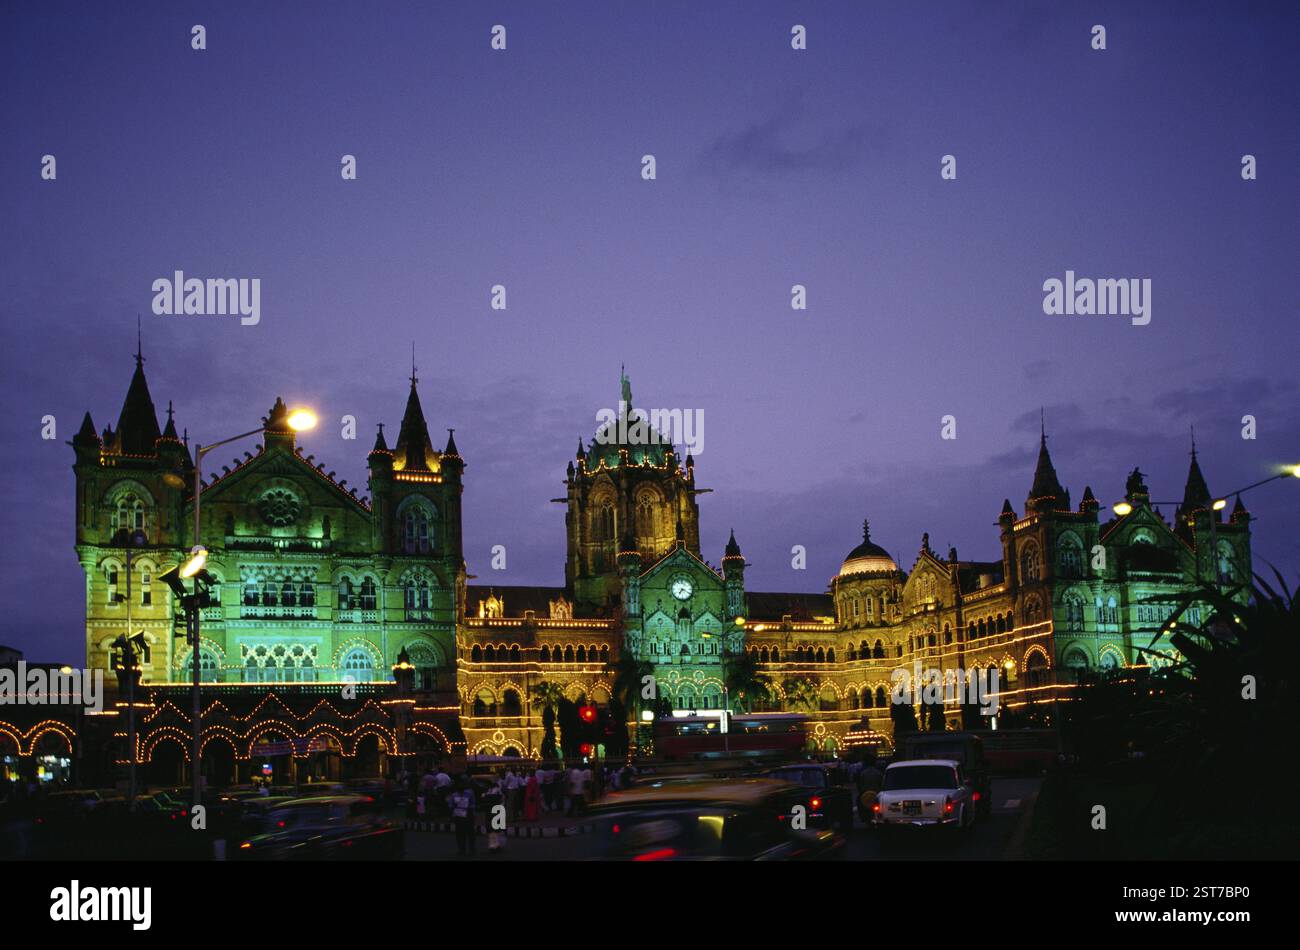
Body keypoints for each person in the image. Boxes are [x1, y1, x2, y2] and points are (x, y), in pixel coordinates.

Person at [448, 776, 477, 856]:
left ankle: (472, 849)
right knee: (460, 833)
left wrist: (472, 813)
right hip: (459, 816)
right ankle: (462, 849)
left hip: (468, 814)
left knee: (470, 833)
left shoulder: (470, 793)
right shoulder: (454, 795)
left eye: (463, 784)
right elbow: (450, 805)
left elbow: (473, 804)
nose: (461, 786)